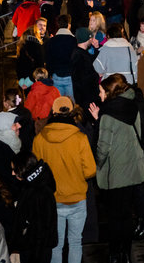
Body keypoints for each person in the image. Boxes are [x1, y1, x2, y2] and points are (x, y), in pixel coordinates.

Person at [32, 96, 97, 263]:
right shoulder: (80, 138)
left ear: (53, 112)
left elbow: (35, 171)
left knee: (56, 244)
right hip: (77, 198)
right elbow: (90, 170)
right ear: (71, 112)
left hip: (52, 200)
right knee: (75, 243)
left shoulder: (39, 139)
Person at [93, 73, 144, 260]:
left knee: (114, 217)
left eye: (102, 92)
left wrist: (98, 165)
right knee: (126, 215)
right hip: (132, 170)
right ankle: (125, 253)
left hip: (115, 173)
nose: (99, 95)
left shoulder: (107, 114)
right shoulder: (133, 106)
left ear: (110, 92)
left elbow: (103, 148)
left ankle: (115, 253)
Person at [9, 152, 60, 263]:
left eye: (14, 169)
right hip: (34, 248)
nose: (12, 173)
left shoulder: (37, 193)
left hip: (35, 252)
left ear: (22, 169)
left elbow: (40, 230)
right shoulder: (35, 186)